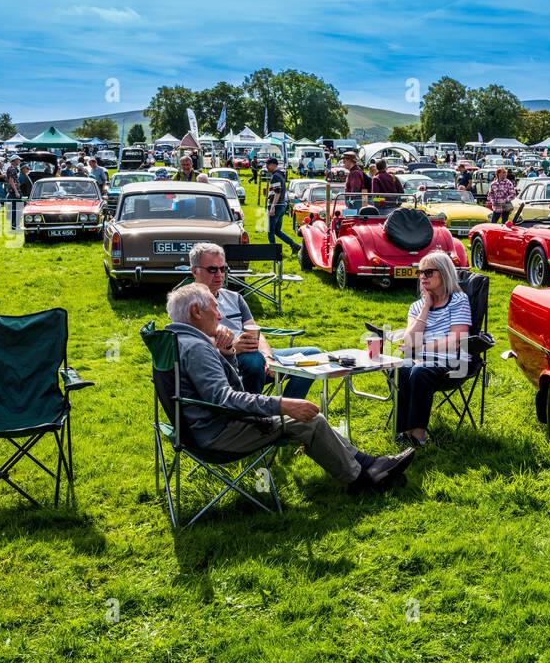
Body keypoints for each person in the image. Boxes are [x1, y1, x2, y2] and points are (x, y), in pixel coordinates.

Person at [160, 284, 414, 494]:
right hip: (217, 435)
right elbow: (225, 398)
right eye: (215, 309)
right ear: (196, 311)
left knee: (310, 418)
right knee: (308, 422)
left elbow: (217, 392)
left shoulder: (175, 341)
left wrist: (226, 354)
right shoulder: (196, 347)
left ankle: (370, 465)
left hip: (196, 430)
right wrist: (283, 404)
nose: (219, 316)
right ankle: (363, 480)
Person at [188, 243, 320, 398]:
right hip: (225, 362)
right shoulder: (187, 302)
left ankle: (288, 412)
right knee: (254, 360)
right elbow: (190, 344)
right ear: (194, 271)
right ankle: (253, 416)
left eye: (223, 269)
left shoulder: (235, 298)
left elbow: (254, 331)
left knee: (313, 355)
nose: (219, 274)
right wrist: (231, 348)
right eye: (212, 269)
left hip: (255, 355)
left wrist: (268, 356)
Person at [395, 251, 472, 447]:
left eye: (428, 272)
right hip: (421, 359)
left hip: (453, 362)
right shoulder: (417, 306)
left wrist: (421, 349)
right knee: (400, 369)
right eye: (420, 272)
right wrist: (426, 307)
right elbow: (409, 340)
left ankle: (418, 436)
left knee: (419, 370)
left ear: (444, 273)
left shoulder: (458, 300)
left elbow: (457, 339)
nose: (422, 276)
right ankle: (403, 431)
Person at [263, 156, 297, 250]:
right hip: (281, 205)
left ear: (273, 165)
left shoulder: (275, 176)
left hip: (276, 206)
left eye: (268, 165)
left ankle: (273, 252)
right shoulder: (280, 174)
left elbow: (277, 192)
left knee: (270, 231)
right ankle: (294, 245)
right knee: (277, 231)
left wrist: (273, 207)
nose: (266, 167)